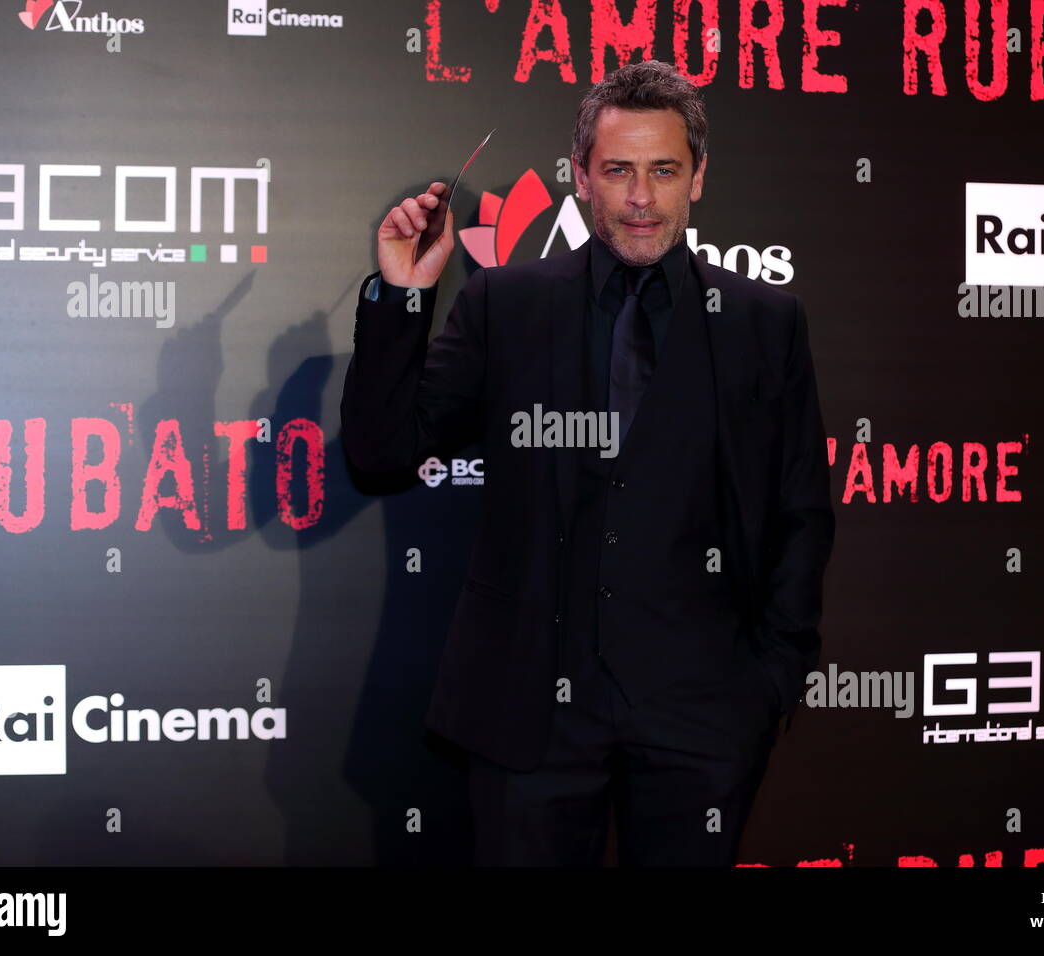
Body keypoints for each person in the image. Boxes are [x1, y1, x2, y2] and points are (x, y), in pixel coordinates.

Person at [342, 59, 834, 866]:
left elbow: (801, 511)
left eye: (664, 170)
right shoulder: (507, 304)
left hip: (702, 716)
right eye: (618, 171)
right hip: (528, 712)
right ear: (581, 178)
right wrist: (403, 298)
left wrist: (770, 682)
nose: (642, 198)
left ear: (698, 178)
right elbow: (382, 457)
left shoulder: (764, 322)